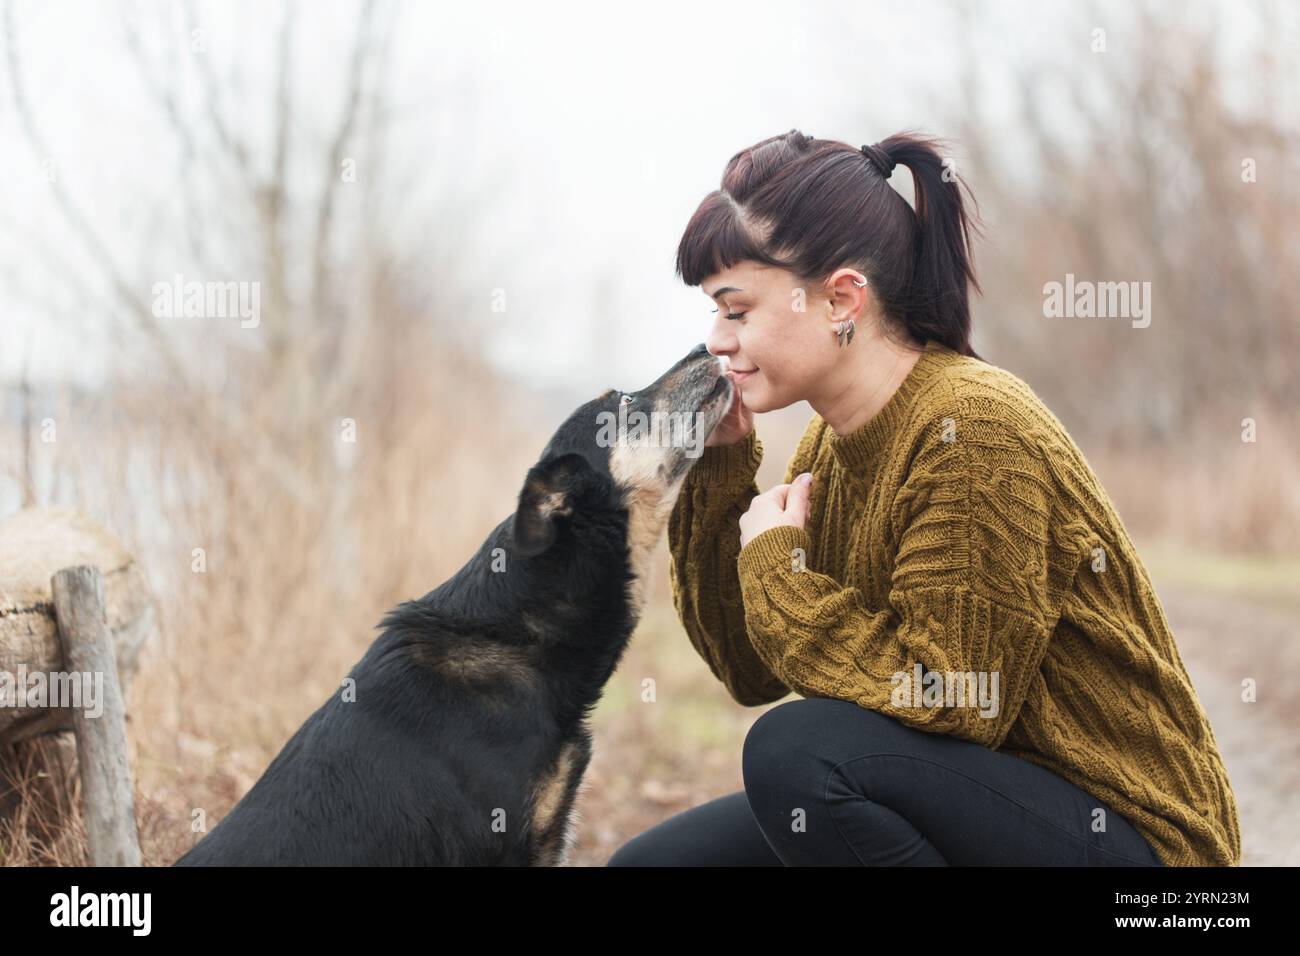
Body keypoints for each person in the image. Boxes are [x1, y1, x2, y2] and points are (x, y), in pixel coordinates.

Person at [607, 129, 1240, 866]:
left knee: (799, 754)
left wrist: (780, 571)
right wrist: (719, 481)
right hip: (985, 809)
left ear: (841, 298)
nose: (715, 339)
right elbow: (752, 671)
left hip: (1146, 857)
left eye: (736, 309)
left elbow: (955, 696)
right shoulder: (829, 450)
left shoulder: (971, 429)